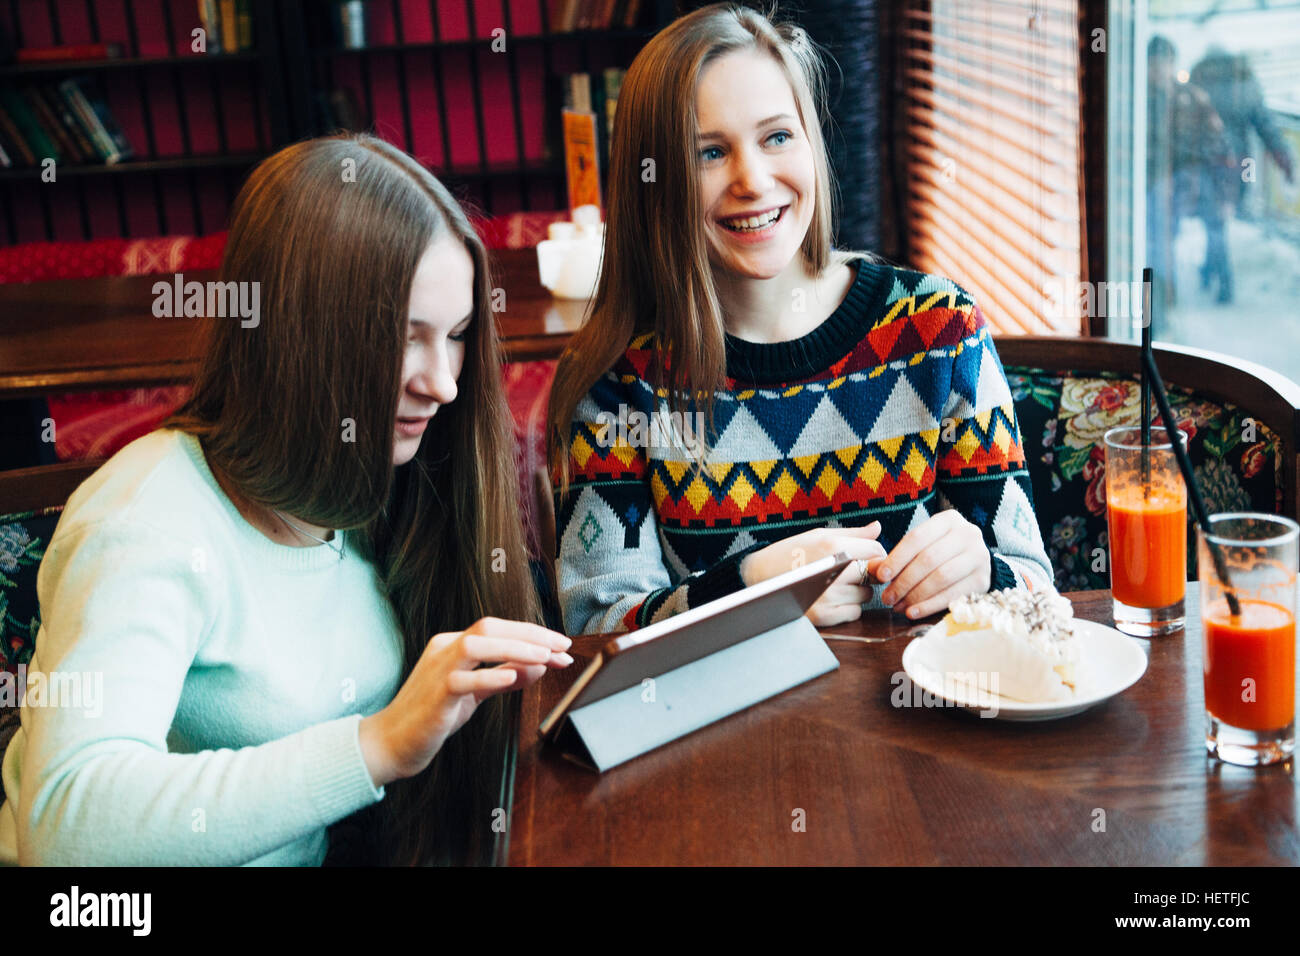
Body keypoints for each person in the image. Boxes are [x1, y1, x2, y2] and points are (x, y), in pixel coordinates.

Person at [0, 132, 572, 867]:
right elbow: (64, 824)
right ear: (301, 337)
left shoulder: (376, 481)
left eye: (457, 336)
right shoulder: (142, 518)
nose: (445, 382)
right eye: (405, 337)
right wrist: (376, 746)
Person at [547, 3, 1053, 637]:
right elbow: (596, 631)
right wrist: (750, 593)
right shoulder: (618, 380)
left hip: (926, 723)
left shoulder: (940, 330)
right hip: (725, 733)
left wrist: (984, 574)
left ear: (812, 143)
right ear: (656, 182)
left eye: (777, 137)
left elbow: (1037, 586)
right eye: (709, 153)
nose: (753, 181)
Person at [1191, 46, 1296, 304]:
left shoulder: (1200, 78)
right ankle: (1213, 270)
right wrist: (1283, 157)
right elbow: (1264, 123)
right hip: (1238, 165)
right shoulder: (1245, 83)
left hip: (1207, 162)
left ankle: (1222, 278)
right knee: (1218, 221)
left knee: (1213, 221)